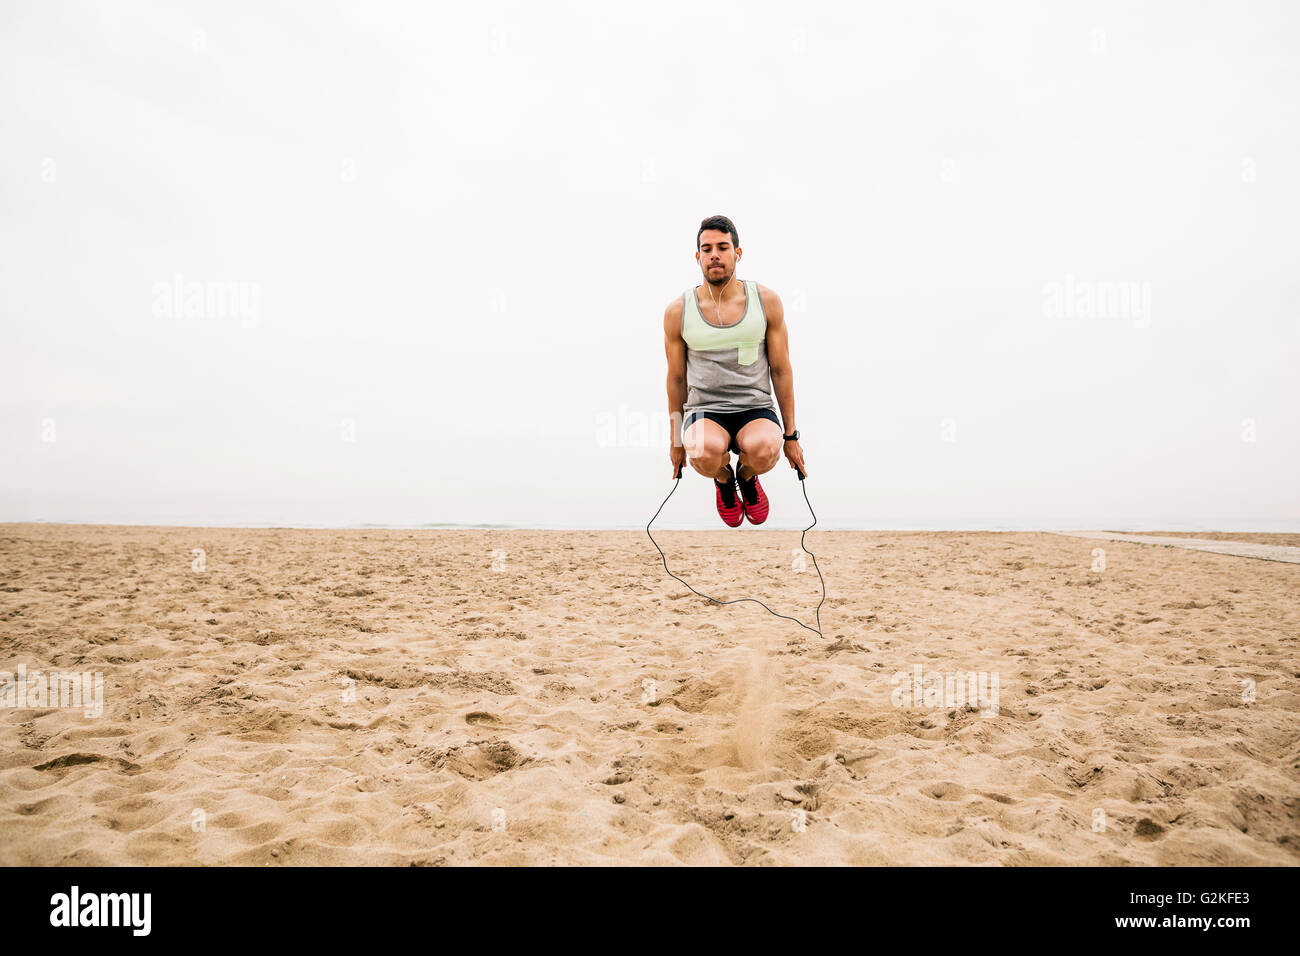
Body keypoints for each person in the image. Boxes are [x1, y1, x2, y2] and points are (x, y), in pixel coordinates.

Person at [663, 214, 807, 527]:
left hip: (753, 407)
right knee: (702, 453)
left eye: (723, 247)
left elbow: (781, 370)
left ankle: (747, 477)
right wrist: (676, 441)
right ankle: (726, 482)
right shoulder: (678, 311)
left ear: (737, 253)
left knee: (766, 449)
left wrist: (791, 436)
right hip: (704, 409)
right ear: (698, 256)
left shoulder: (766, 301)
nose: (714, 254)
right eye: (707, 248)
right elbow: (675, 379)